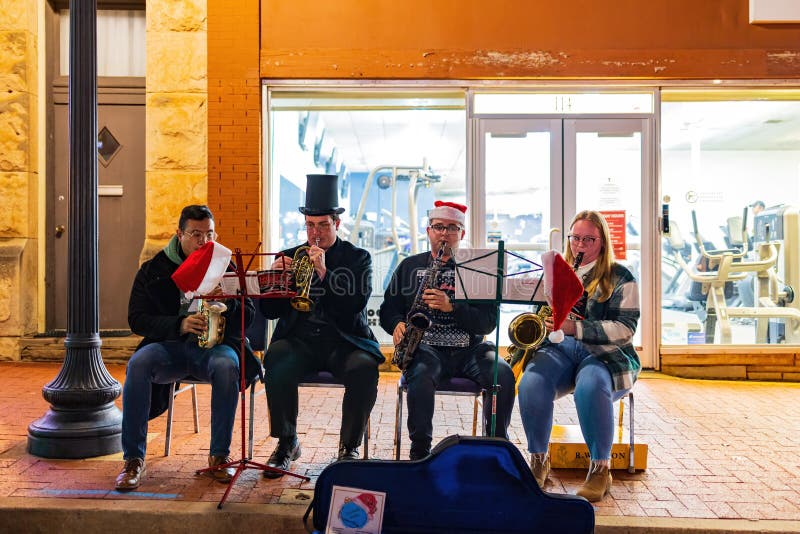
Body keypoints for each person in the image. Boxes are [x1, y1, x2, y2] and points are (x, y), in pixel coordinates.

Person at [115, 204, 260, 491]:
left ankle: (219, 455)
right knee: (139, 364)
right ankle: (133, 459)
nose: (204, 242)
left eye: (210, 234)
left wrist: (230, 302)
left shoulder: (224, 264)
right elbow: (137, 319)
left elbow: (250, 317)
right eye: (195, 234)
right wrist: (179, 324)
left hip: (214, 348)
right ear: (179, 234)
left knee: (227, 365)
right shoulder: (154, 269)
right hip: (169, 346)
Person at [261, 174, 382, 477]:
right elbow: (270, 312)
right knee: (276, 357)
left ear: (337, 224)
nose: (315, 233)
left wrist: (325, 272)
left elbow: (354, 305)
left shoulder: (358, 258)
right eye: (310, 225)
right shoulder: (290, 256)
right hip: (300, 340)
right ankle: (287, 442)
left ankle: (349, 447)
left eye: (323, 225)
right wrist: (275, 281)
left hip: (344, 341)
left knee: (364, 368)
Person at [517, 210, 640, 502]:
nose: (580, 246)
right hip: (560, 349)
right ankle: (538, 461)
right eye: (575, 238)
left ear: (602, 242)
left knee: (590, 386)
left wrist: (576, 327)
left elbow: (625, 329)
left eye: (589, 239)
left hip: (607, 354)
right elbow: (543, 316)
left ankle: (600, 469)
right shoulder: (557, 273)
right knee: (530, 384)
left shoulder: (621, 276)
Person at [380, 200, 516, 460]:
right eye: (439, 227)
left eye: (452, 228)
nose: (445, 233)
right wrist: (396, 323)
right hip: (426, 347)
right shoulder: (409, 266)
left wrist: (451, 307)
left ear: (462, 234)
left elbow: (487, 323)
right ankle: (420, 453)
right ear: (428, 230)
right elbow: (389, 309)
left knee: (503, 375)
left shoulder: (479, 269)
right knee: (419, 375)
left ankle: (496, 448)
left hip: (471, 348)